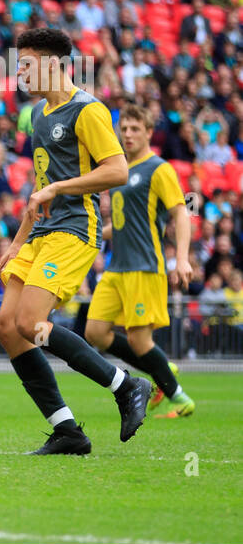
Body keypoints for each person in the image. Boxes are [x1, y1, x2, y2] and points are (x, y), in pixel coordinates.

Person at [0, 28, 150, 456]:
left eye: (25, 64)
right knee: (8, 328)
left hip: (75, 228)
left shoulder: (88, 110)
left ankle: (126, 385)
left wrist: (58, 191)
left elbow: (116, 171)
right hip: (40, 233)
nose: (19, 72)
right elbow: (41, 189)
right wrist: (16, 244)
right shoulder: (40, 115)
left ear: (54, 64)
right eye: (17, 65)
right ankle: (68, 431)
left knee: (30, 323)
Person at [84, 105, 196, 419]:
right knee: (95, 333)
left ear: (148, 132)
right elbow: (120, 224)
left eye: (136, 129)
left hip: (145, 267)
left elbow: (180, 212)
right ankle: (158, 366)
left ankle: (178, 396)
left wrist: (183, 259)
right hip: (116, 267)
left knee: (138, 338)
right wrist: (93, 234)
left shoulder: (158, 169)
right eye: (125, 129)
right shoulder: (120, 171)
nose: (129, 134)